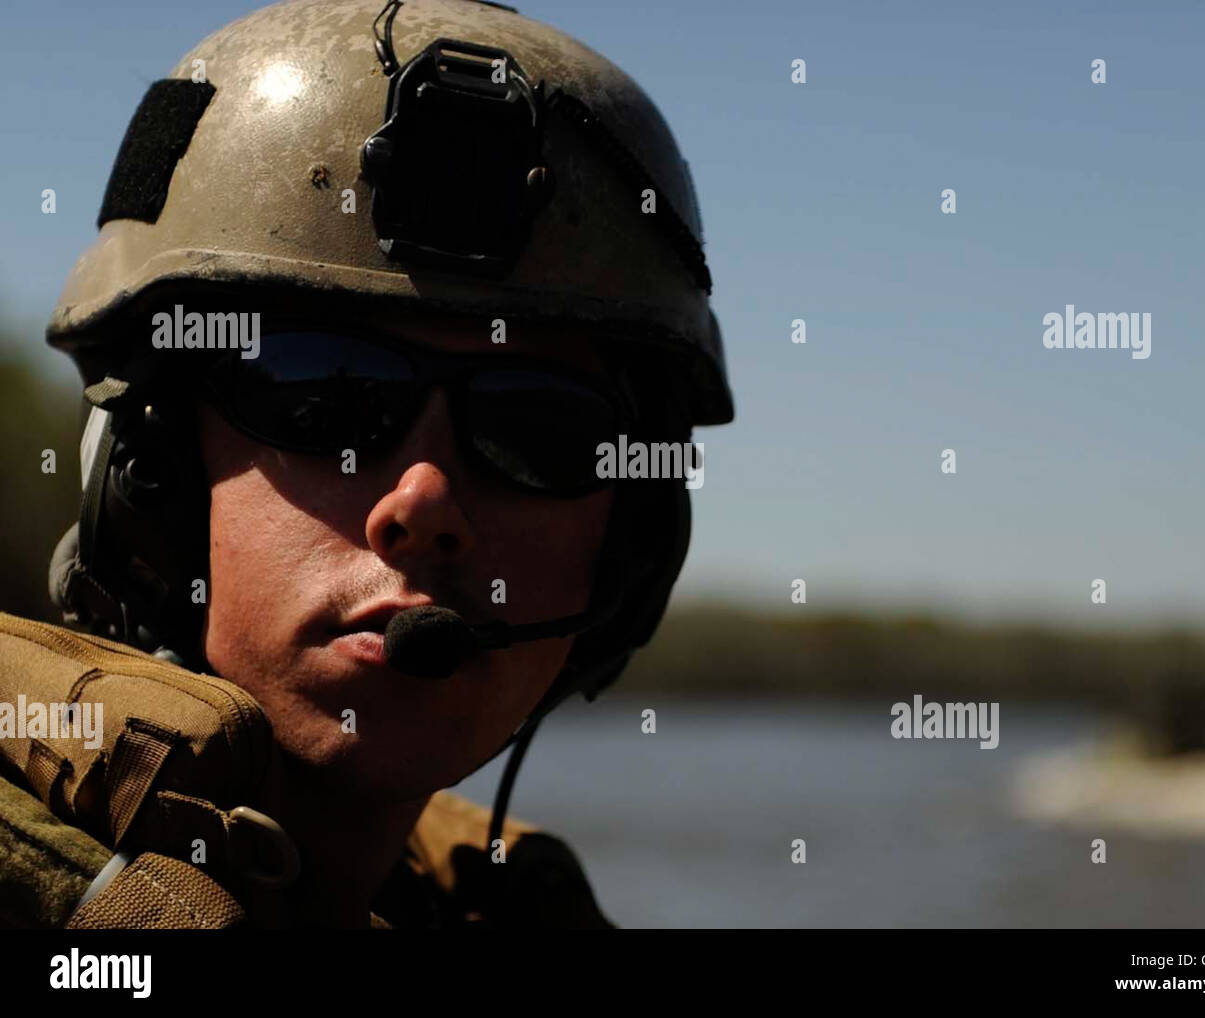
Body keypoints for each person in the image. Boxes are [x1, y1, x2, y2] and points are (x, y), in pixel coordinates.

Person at [0, 0, 732, 929]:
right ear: (149, 477)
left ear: (631, 546)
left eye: (541, 430)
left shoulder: (500, 902)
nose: (423, 502)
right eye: (325, 397)